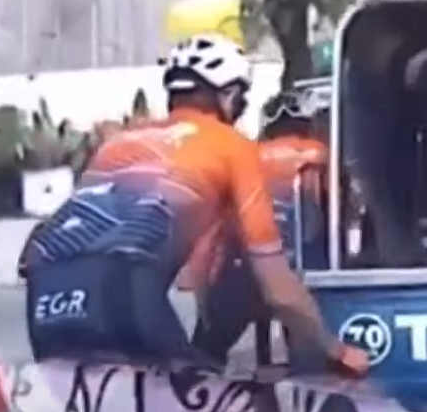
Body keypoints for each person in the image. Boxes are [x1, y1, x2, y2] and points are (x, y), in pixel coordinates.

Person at [19, 34, 368, 375]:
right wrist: (337, 350)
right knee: (197, 403)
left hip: (45, 288)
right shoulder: (234, 148)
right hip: (123, 287)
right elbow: (277, 288)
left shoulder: (117, 145)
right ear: (229, 96)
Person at [190, 85, 334, 365]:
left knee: (202, 356)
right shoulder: (323, 156)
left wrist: (204, 296)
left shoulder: (243, 156)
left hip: (243, 275)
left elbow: (213, 233)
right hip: (303, 279)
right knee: (316, 367)